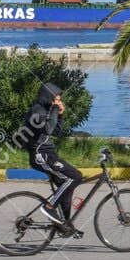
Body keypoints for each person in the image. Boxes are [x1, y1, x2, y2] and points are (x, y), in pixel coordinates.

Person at [21, 82, 83, 233]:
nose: (59, 99)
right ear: (48, 96)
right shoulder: (37, 111)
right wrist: (55, 109)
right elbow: (48, 129)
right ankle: (49, 208)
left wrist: (60, 114)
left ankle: (65, 225)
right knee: (75, 177)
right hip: (40, 155)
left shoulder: (46, 110)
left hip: (48, 154)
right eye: (56, 96)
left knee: (66, 185)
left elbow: (56, 131)